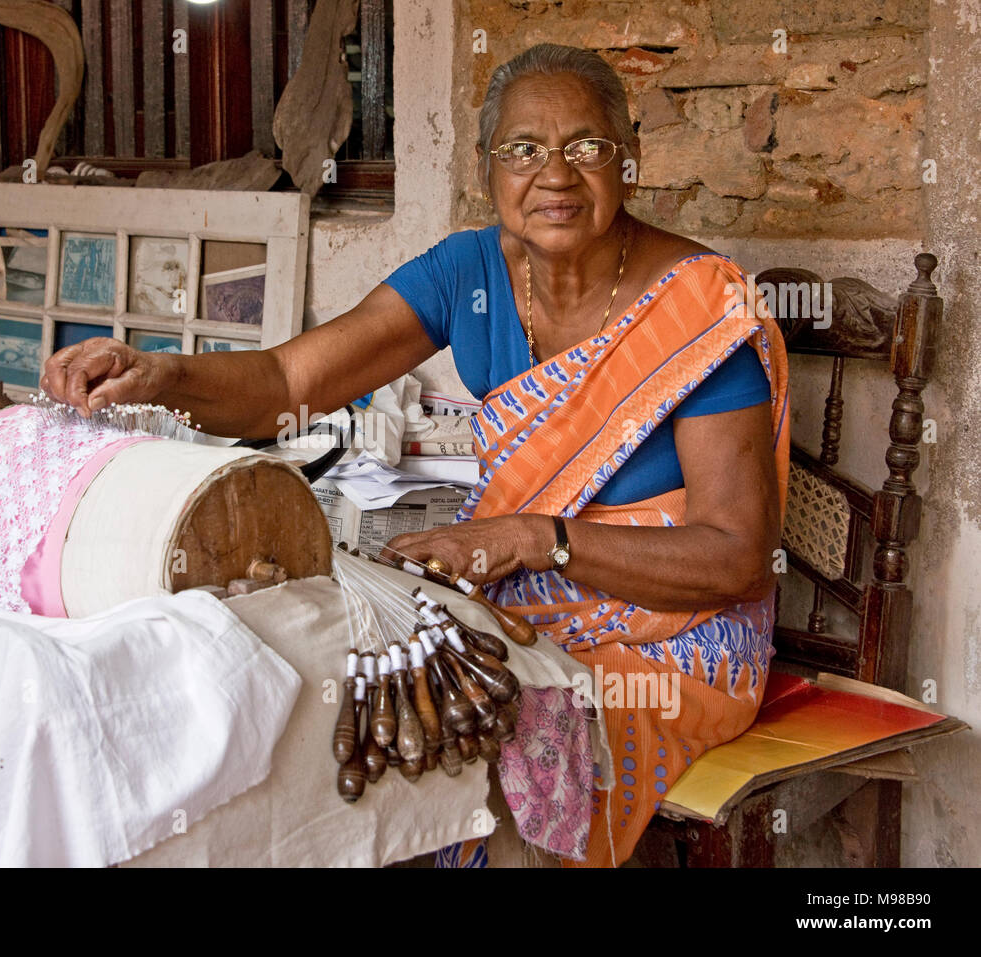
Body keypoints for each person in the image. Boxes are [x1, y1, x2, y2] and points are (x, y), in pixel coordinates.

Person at [40, 42, 789, 867]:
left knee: (490, 736)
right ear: (486, 168)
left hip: (673, 641)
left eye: (586, 147)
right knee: (349, 694)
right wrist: (164, 372)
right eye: (523, 150)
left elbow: (736, 556)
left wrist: (536, 538)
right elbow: (291, 377)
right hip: (515, 599)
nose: (556, 175)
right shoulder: (465, 272)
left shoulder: (696, 310)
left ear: (628, 159)